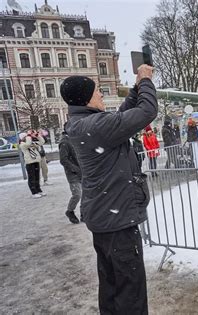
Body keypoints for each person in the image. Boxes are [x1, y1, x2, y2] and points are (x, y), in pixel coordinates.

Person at [62, 64, 157, 314]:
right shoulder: (96, 127)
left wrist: (136, 88)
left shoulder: (83, 123)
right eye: (97, 92)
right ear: (86, 99)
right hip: (118, 223)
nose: (101, 95)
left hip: (105, 218)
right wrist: (146, 80)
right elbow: (147, 111)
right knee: (131, 291)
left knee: (112, 286)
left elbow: (121, 119)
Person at [59, 129, 82, 224]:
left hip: (82, 171)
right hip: (73, 173)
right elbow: (63, 160)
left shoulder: (75, 139)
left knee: (86, 194)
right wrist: (75, 169)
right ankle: (70, 211)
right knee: (77, 194)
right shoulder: (64, 142)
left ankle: (84, 214)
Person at [19, 130, 46, 198]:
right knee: (32, 178)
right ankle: (34, 192)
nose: (28, 137)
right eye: (25, 137)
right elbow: (28, 144)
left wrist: (37, 135)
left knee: (37, 177)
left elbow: (42, 142)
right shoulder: (22, 144)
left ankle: (38, 190)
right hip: (29, 163)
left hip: (36, 161)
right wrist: (28, 135)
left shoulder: (32, 143)